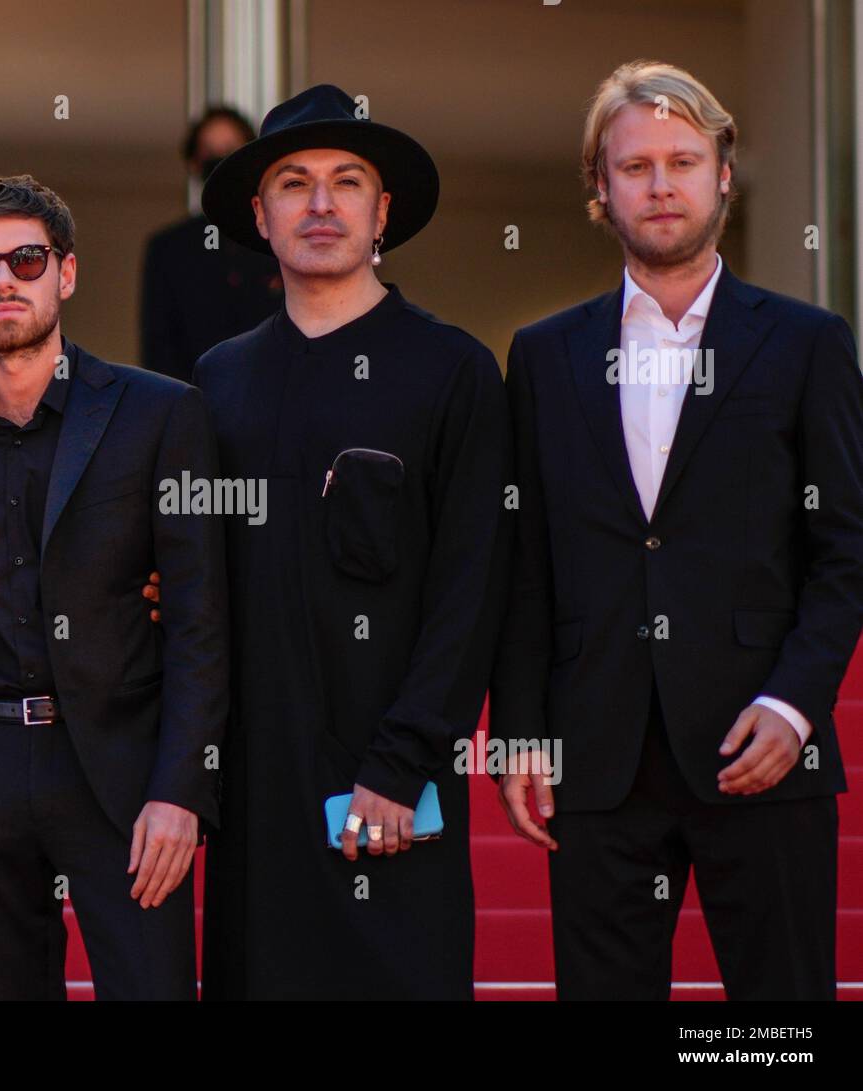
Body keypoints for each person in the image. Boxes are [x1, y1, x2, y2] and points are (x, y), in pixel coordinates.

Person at [491, 61, 863, 1000]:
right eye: (635, 165)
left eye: (684, 161)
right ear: (599, 189)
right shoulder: (541, 356)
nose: (661, 185)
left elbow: (845, 544)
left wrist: (794, 704)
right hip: (599, 752)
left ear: (723, 175)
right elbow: (525, 561)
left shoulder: (810, 342)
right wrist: (522, 735)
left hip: (762, 742)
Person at [195, 84, 512, 999]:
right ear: (259, 215)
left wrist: (403, 764)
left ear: (385, 211)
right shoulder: (217, 381)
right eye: (294, 183)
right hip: (252, 796)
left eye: (347, 181)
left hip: (386, 781)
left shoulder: (453, 369)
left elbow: (472, 588)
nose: (321, 203)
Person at [0, 175, 228, 1000]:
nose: (3, 280)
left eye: (26, 259)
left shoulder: (161, 414)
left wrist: (179, 791)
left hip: (118, 767)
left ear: (65, 274)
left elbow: (200, 619)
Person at [140, 106, 282, 382]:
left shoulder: (280, 239)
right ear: (194, 163)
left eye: (229, 148)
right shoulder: (169, 248)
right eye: (209, 151)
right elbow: (159, 346)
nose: (218, 158)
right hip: (197, 406)